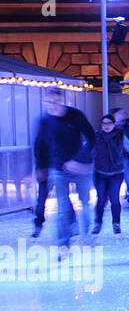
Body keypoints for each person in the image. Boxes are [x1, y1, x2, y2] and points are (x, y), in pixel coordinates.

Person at [33, 89, 96, 246]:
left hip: (80, 167)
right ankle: (63, 243)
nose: (53, 106)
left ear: (63, 100)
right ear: (44, 102)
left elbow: (92, 138)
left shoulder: (76, 115)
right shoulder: (44, 120)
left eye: (56, 102)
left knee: (85, 202)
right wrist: (40, 167)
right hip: (58, 168)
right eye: (49, 103)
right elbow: (40, 144)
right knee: (62, 207)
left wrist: (79, 161)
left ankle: (86, 233)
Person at [90, 113, 125, 234]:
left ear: (114, 124)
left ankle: (116, 223)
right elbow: (89, 151)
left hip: (117, 173)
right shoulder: (96, 136)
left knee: (114, 199)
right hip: (100, 173)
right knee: (101, 199)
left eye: (109, 123)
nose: (106, 126)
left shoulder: (121, 136)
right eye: (104, 123)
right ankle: (98, 223)